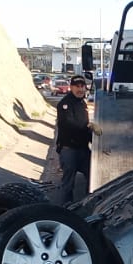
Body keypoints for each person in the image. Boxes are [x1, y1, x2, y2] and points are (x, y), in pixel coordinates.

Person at [53, 75, 92, 204]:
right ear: (71, 87)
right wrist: (88, 127)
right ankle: (65, 209)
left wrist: (94, 138)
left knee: (92, 176)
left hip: (83, 149)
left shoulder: (82, 103)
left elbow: (84, 125)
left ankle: (87, 204)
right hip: (69, 149)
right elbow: (68, 125)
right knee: (68, 183)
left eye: (82, 86)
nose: (80, 89)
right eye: (77, 86)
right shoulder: (64, 104)